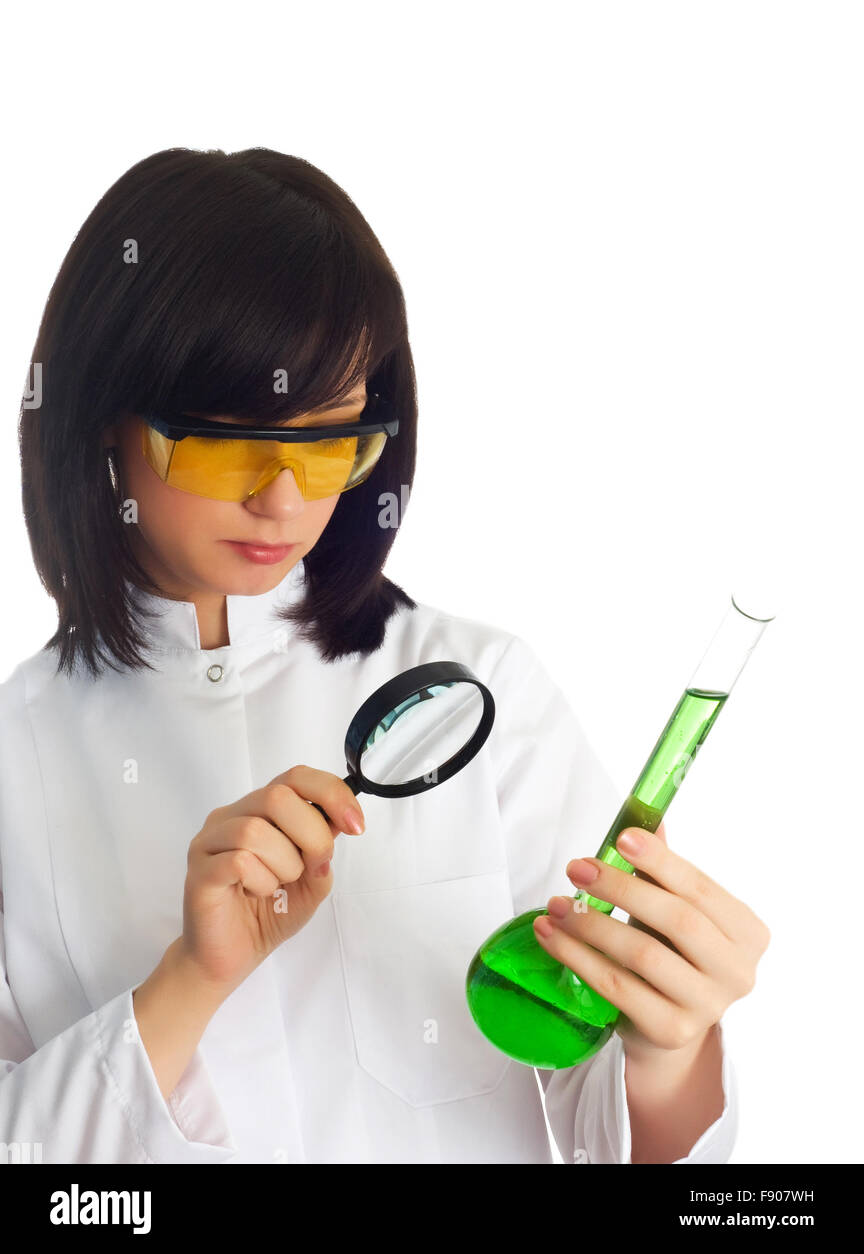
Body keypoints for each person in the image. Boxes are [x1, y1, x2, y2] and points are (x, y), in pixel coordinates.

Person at [0, 147, 768, 1164]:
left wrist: (670, 1049)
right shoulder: (18, 756)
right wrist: (191, 976)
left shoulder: (485, 689)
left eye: (328, 442)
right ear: (104, 425)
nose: (283, 499)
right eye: (232, 440)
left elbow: (636, 1142)